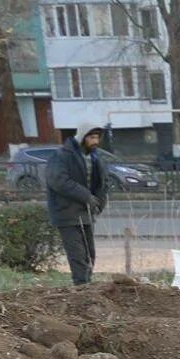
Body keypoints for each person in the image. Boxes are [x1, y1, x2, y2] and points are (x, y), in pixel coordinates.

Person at [46, 122, 110, 285]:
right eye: (91, 137)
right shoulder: (62, 155)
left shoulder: (95, 157)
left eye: (97, 137)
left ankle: (86, 287)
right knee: (78, 255)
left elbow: (101, 183)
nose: (95, 141)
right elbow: (58, 181)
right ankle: (81, 288)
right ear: (82, 137)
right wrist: (85, 196)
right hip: (67, 212)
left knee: (89, 255)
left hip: (87, 213)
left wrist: (100, 202)